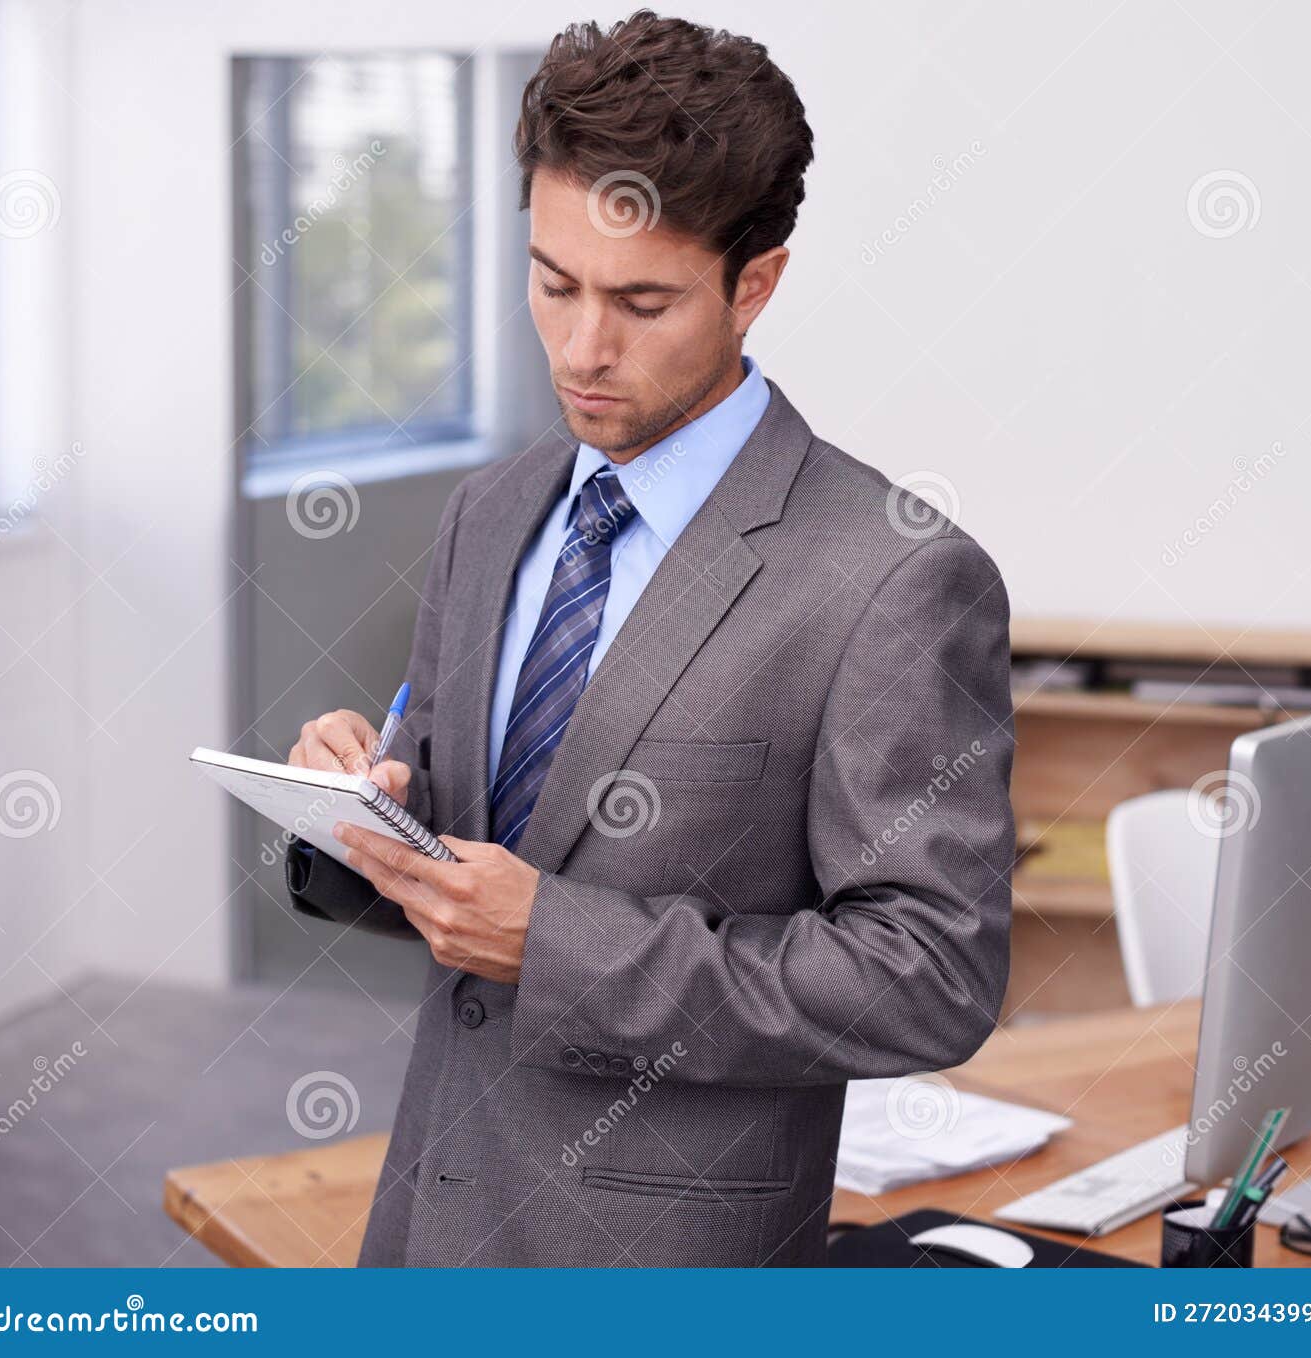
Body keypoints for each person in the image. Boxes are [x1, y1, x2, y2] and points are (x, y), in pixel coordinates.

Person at [285, 9, 1013, 1267]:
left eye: (641, 300)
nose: (581, 346)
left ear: (756, 283)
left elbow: (928, 972)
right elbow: (463, 847)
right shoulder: (492, 510)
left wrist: (558, 941)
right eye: (552, 281)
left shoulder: (894, 579)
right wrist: (349, 815)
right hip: (423, 1228)